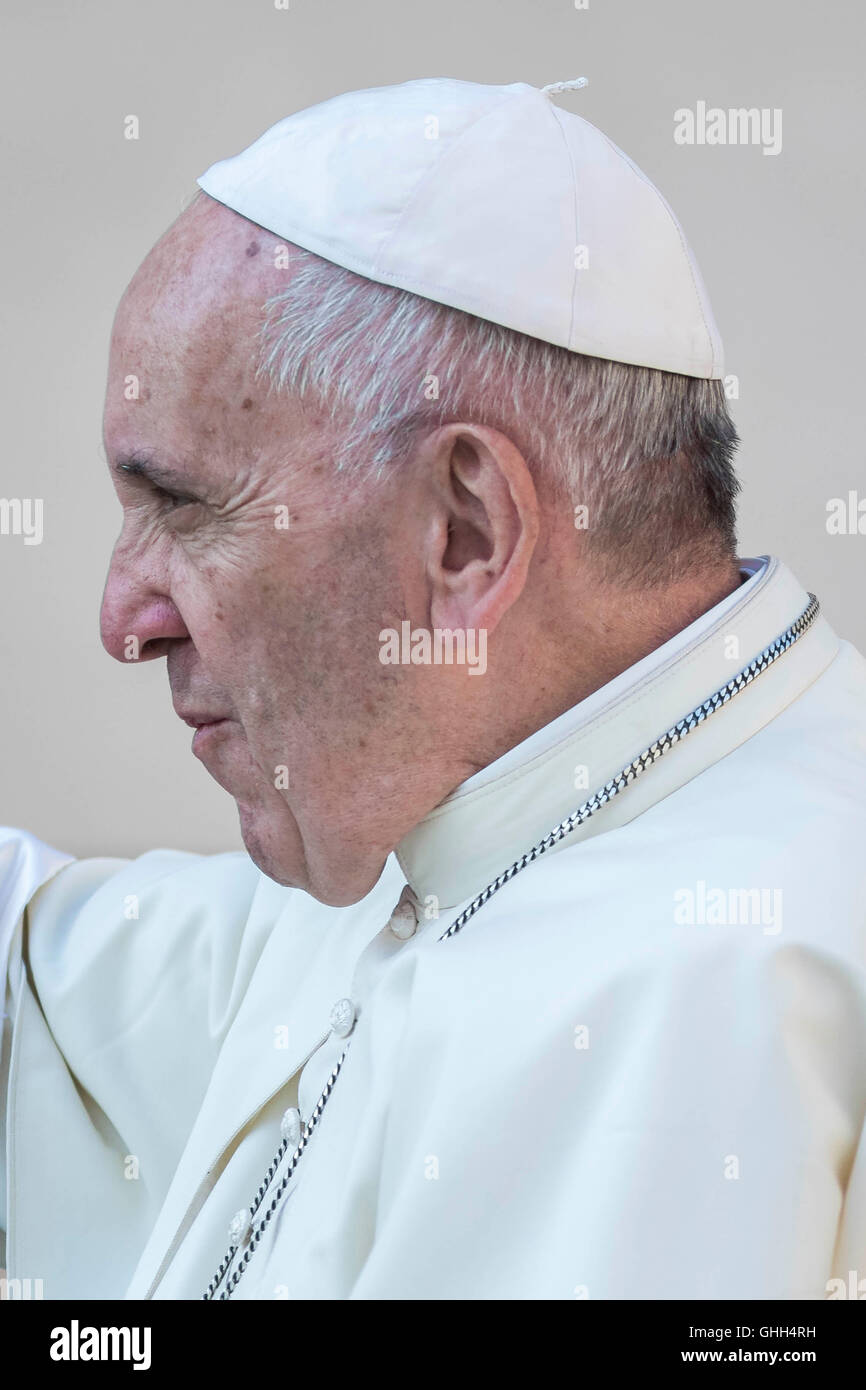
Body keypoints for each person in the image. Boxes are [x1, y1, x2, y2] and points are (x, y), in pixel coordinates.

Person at [2, 75, 865, 1301]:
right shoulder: (438, 838)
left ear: (464, 531)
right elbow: (34, 985)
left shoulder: (745, 989)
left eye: (183, 508)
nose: (123, 621)